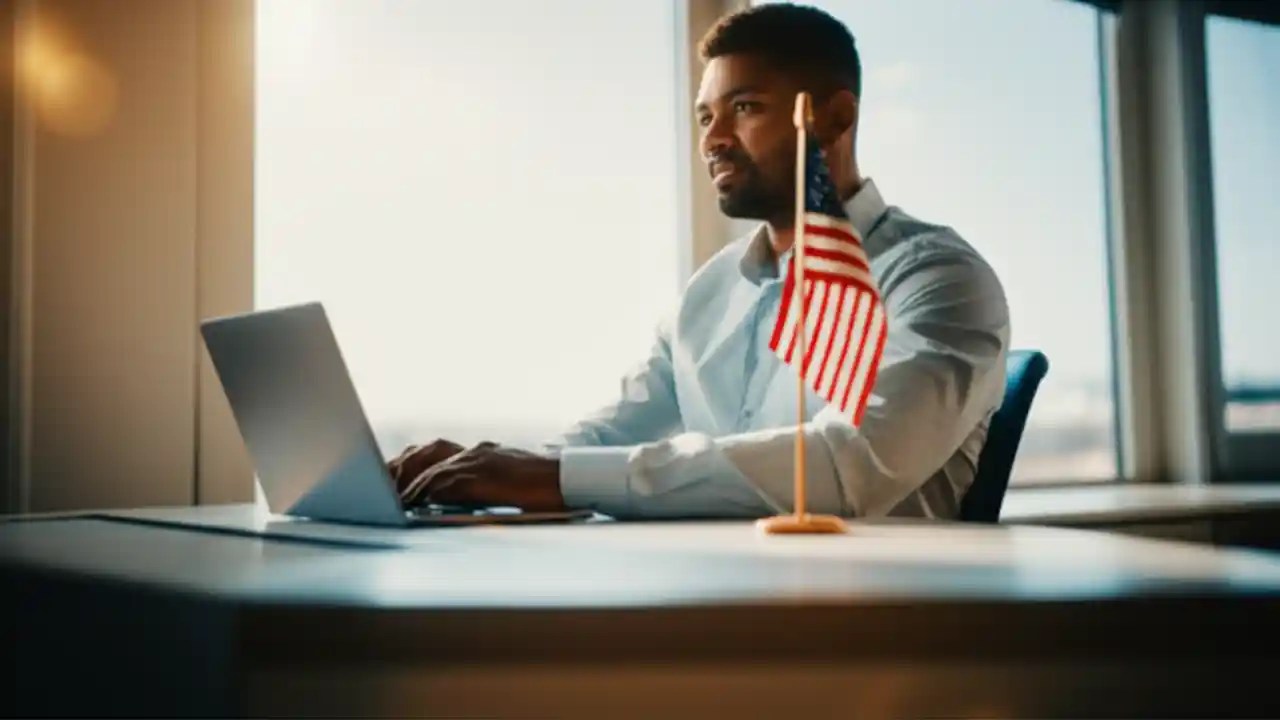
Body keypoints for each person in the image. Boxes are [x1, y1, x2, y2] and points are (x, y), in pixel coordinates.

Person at [388, 3, 1009, 519]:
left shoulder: (939, 280)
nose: (712, 139)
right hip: (715, 594)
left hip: (868, 622)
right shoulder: (709, 292)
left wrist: (550, 476)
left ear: (835, 117)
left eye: (745, 108)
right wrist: (478, 473)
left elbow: (848, 467)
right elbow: (610, 436)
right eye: (705, 116)